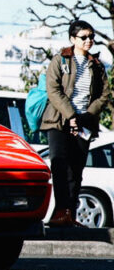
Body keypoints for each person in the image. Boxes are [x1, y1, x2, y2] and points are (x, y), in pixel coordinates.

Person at [41, 20, 110, 227]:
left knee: (76, 169)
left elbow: (104, 94)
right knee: (60, 166)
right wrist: (71, 115)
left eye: (91, 37)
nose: (89, 41)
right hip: (59, 121)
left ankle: (69, 213)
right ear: (73, 39)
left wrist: (85, 117)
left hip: (84, 122)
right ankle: (59, 211)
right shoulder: (60, 60)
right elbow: (53, 90)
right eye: (84, 37)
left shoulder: (97, 65)